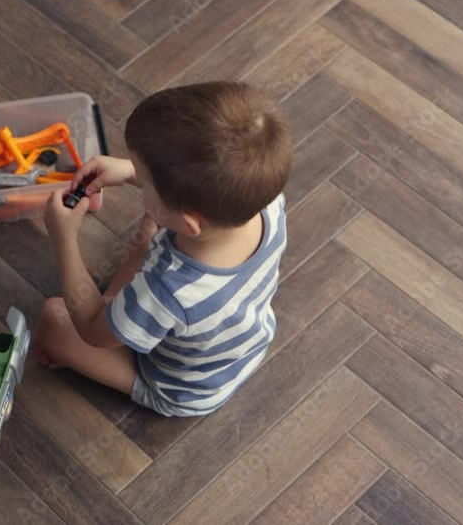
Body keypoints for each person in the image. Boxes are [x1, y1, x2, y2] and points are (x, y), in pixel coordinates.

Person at [37, 81, 292, 416]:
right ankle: (120, 310)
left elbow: (91, 333)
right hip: (243, 347)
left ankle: (116, 316)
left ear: (189, 225)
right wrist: (132, 171)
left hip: (177, 389)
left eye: (143, 178)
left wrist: (64, 239)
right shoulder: (266, 202)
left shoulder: (167, 289)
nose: (136, 178)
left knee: (54, 318)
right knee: (148, 235)